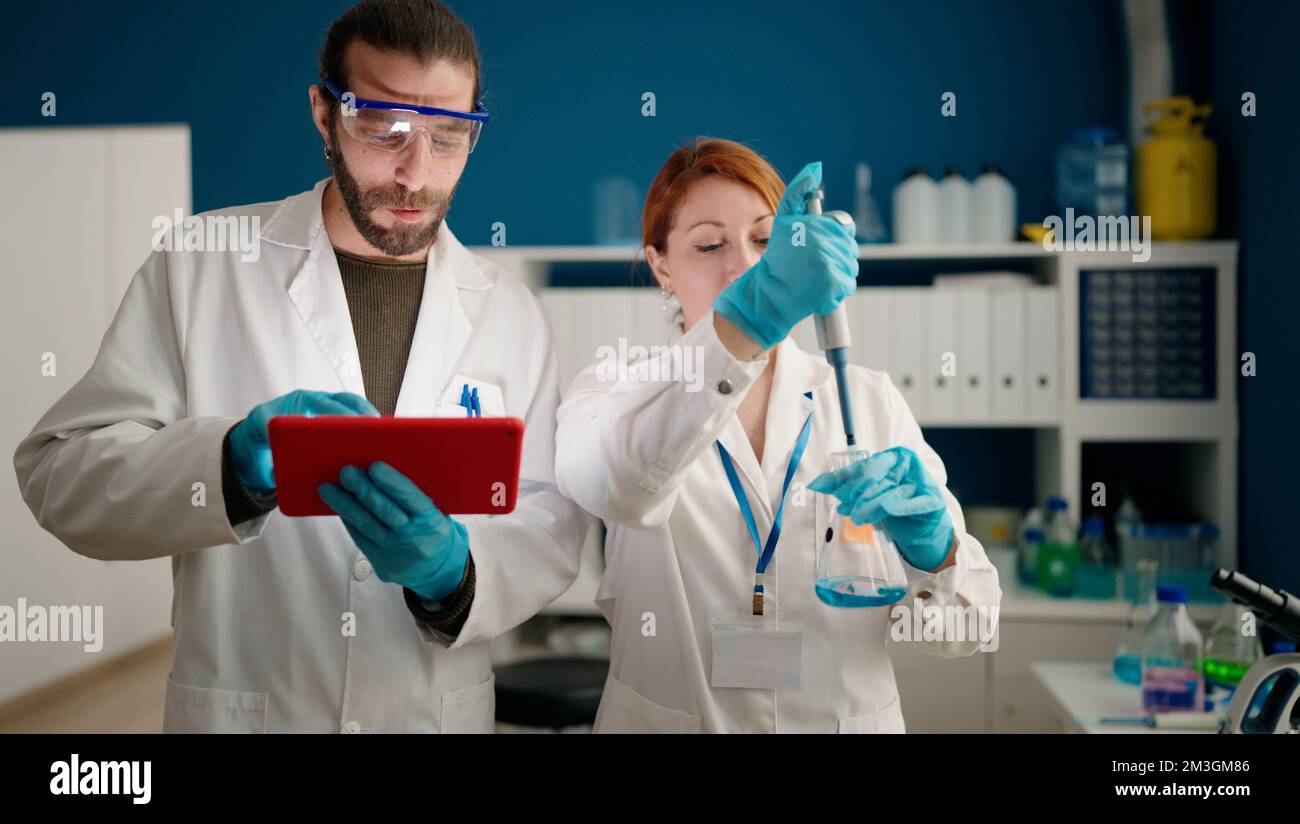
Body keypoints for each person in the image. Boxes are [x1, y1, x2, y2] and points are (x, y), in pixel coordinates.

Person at [13, 0, 589, 733]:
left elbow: (547, 518)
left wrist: (456, 575)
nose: (415, 172)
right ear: (325, 114)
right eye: (383, 128)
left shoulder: (511, 313)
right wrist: (228, 469)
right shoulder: (202, 263)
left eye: (448, 136)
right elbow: (60, 475)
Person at [555, 138, 1002, 733]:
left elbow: (968, 631)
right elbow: (610, 483)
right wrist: (750, 318)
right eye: (709, 245)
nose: (744, 265)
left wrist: (935, 550)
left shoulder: (866, 399)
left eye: (766, 241)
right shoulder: (619, 387)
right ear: (661, 264)